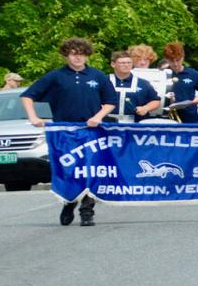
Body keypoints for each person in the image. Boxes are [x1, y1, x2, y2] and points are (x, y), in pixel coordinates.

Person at [21, 38, 118, 227]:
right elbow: (27, 95)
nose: (78, 57)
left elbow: (110, 101)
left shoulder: (97, 76)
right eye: (74, 53)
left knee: (92, 170)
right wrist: (33, 117)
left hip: (92, 131)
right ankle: (69, 202)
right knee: (71, 170)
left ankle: (87, 211)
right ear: (67, 55)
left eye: (81, 53)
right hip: (64, 132)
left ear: (87, 55)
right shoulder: (56, 76)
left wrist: (98, 116)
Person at [107, 51, 161, 121]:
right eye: (122, 63)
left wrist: (146, 108)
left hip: (135, 126)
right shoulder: (104, 81)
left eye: (129, 63)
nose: (126, 65)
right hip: (106, 124)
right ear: (113, 64)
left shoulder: (143, 83)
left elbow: (156, 100)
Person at [164, 43, 198, 123]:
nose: (175, 64)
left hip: (190, 118)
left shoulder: (194, 74)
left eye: (178, 60)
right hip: (166, 118)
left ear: (183, 57)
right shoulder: (162, 74)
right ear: (166, 59)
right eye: (171, 61)